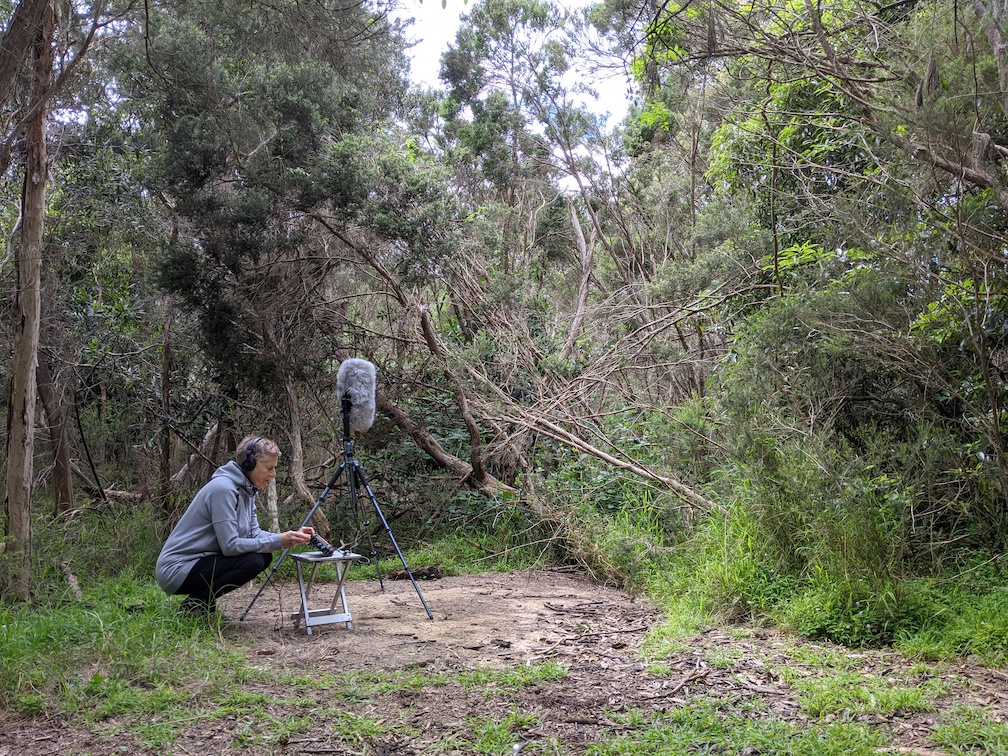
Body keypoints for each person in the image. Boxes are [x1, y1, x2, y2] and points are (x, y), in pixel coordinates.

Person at [156, 435, 314, 621]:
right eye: (269, 468)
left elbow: (253, 533)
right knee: (253, 561)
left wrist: (287, 537)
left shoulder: (247, 491)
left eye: (275, 468)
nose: (273, 474)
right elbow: (230, 546)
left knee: (263, 556)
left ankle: (201, 605)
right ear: (249, 465)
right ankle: (195, 605)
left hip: (201, 562)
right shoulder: (223, 489)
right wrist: (279, 540)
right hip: (177, 568)